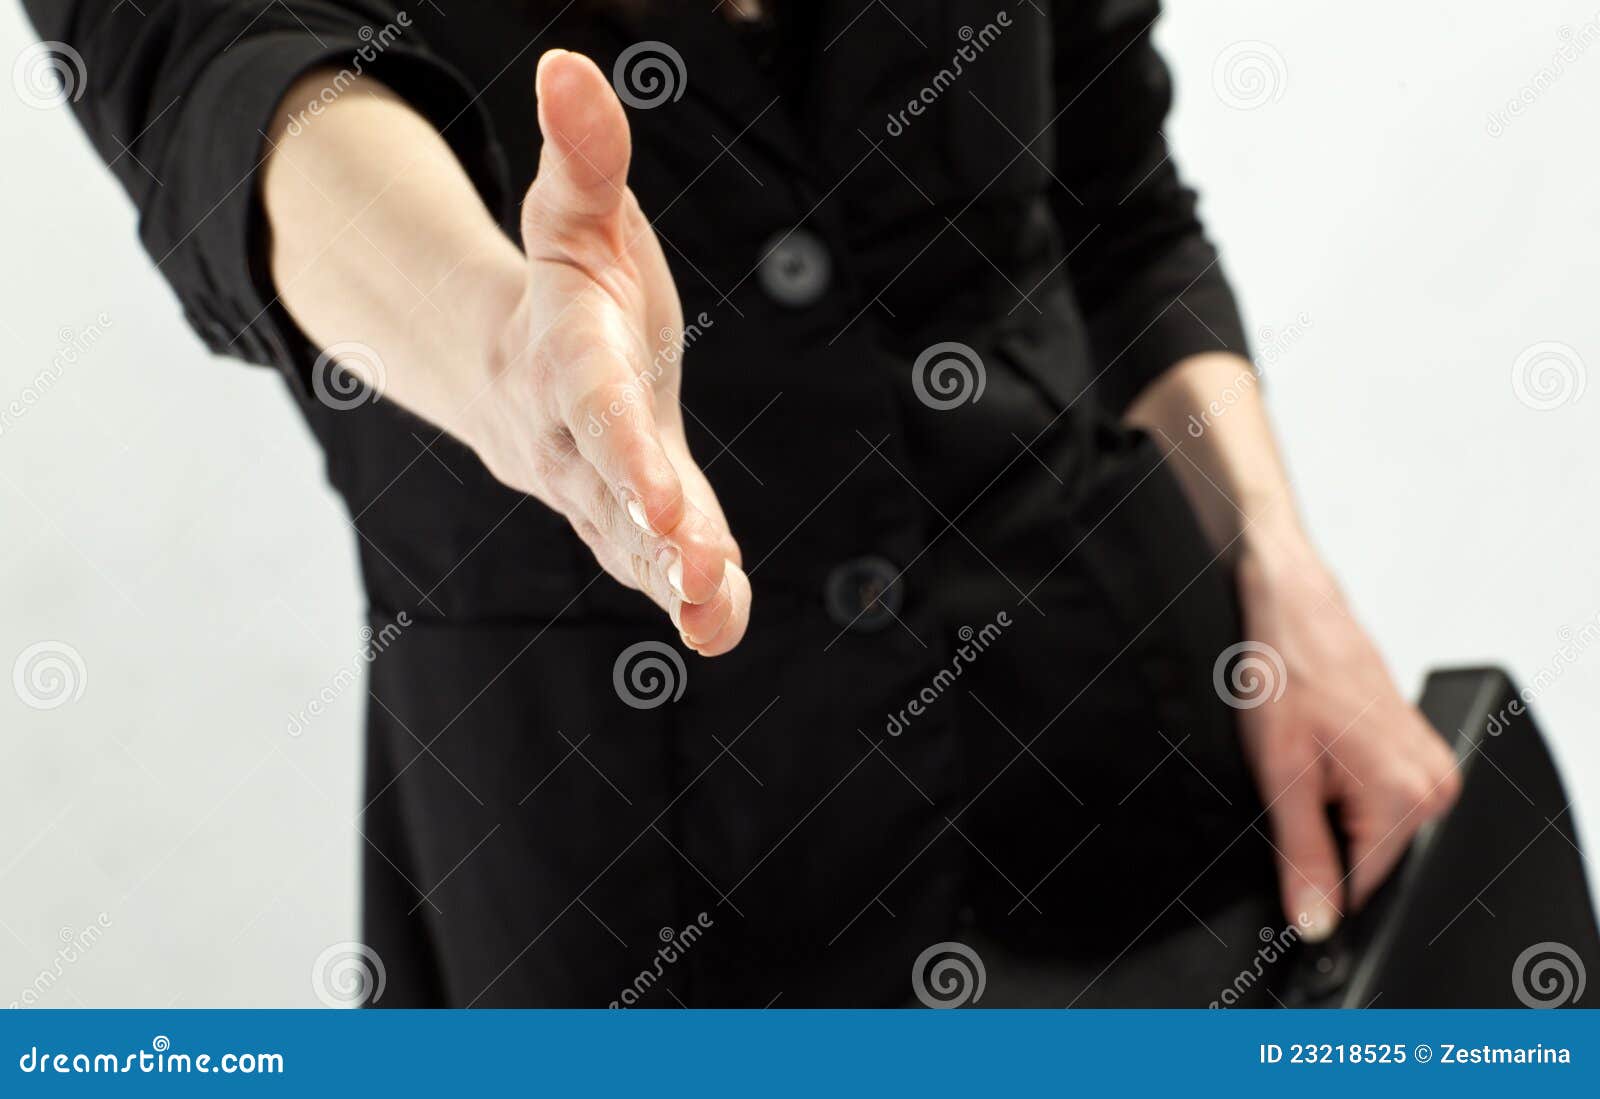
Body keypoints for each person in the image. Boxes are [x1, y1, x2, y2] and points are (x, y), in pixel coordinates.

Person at [23, 0, 1459, 1006]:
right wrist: (499, 339)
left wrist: (1279, 564)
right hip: (641, 927)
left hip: (1143, 838)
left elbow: (1119, 203)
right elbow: (239, 91)